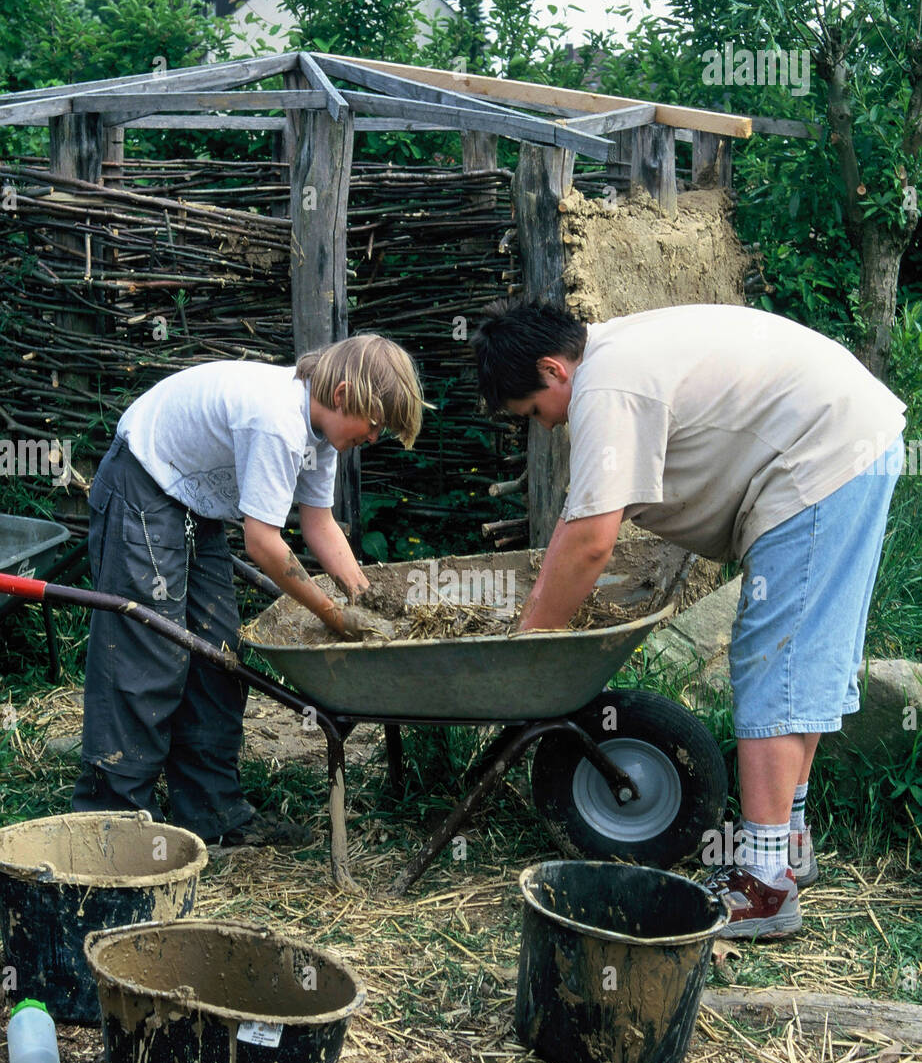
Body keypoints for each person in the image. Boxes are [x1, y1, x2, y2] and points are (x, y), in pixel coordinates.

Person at [471, 301, 905, 939]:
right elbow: (581, 523)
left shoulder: (607, 386)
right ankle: (786, 845)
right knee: (799, 659)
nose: (543, 426)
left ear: (552, 369)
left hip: (824, 456)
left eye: (534, 412)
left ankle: (763, 885)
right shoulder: (615, 357)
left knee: (774, 662)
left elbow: (590, 539)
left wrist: (531, 649)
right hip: (845, 442)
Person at [72, 334, 426, 848]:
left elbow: (319, 523)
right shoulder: (277, 421)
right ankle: (113, 825)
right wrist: (332, 615)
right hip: (144, 486)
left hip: (195, 506)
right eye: (374, 424)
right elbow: (264, 545)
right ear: (346, 393)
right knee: (149, 655)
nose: (374, 437)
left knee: (219, 652)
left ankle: (213, 814)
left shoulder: (322, 432)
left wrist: (363, 598)